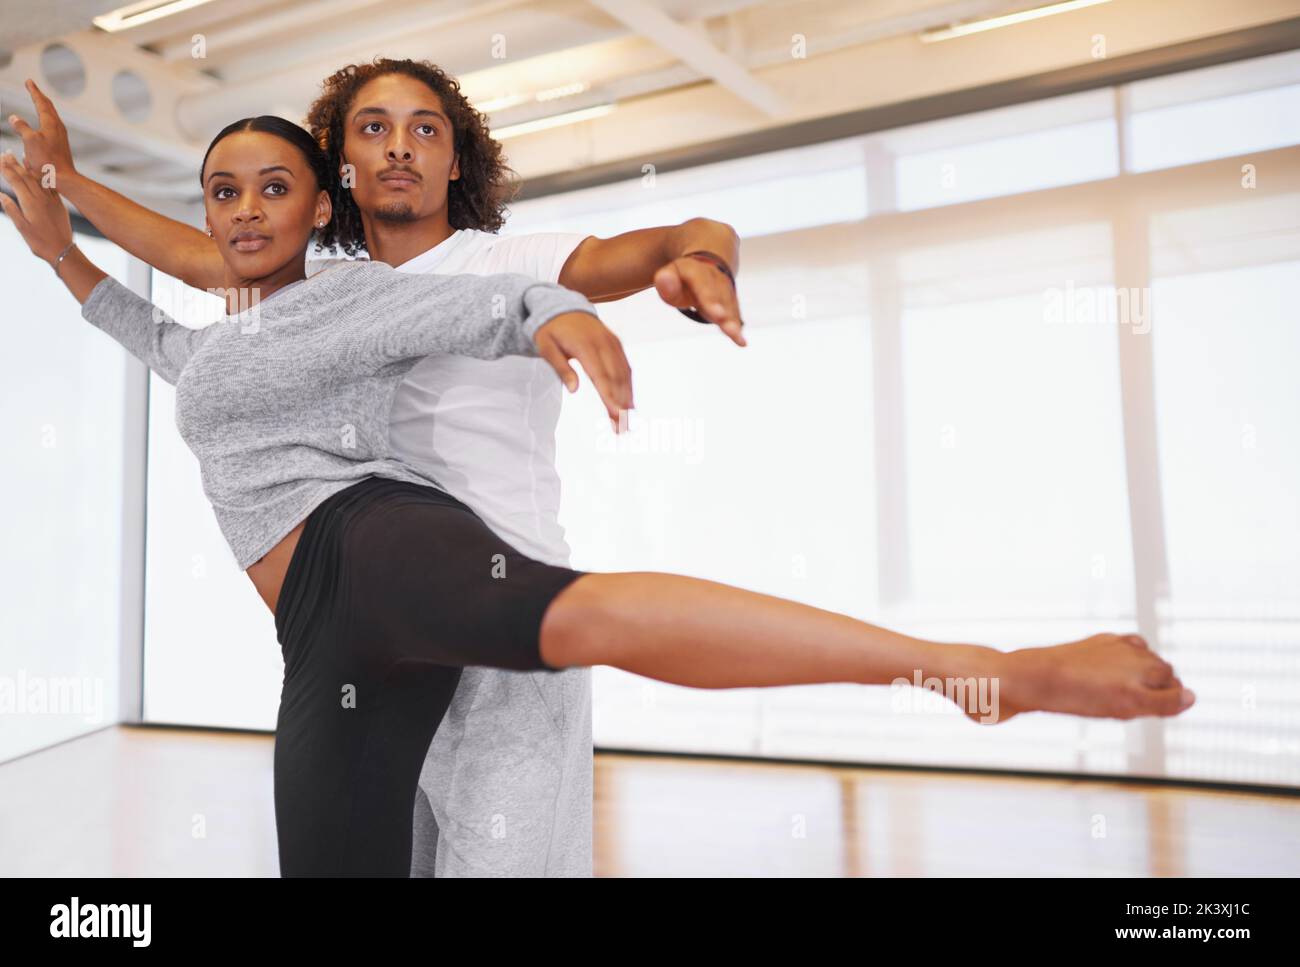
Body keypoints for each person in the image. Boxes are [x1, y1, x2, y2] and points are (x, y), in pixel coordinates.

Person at [0, 113, 1197, 877]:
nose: (244, 211)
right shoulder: (227, 344)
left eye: (273, 188)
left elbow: (490, 305)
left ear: (325, 211)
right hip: (319, 639)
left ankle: (977, 670)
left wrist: (557, 314)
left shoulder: (346, 294)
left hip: (373, 550)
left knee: (585, 616)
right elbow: (144, 325)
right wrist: (58, 238)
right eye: (223, 192)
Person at [8, 60, 744, 877]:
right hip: (385, 651)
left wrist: (704, 262)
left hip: (506, 633)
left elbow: (678, 238)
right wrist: (64, 193)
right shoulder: (321, 291)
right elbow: (190, 274)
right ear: (340, 168)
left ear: (456, 160)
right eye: (374, 129)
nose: (401, 148)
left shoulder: (512, 262)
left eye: (425, 129)